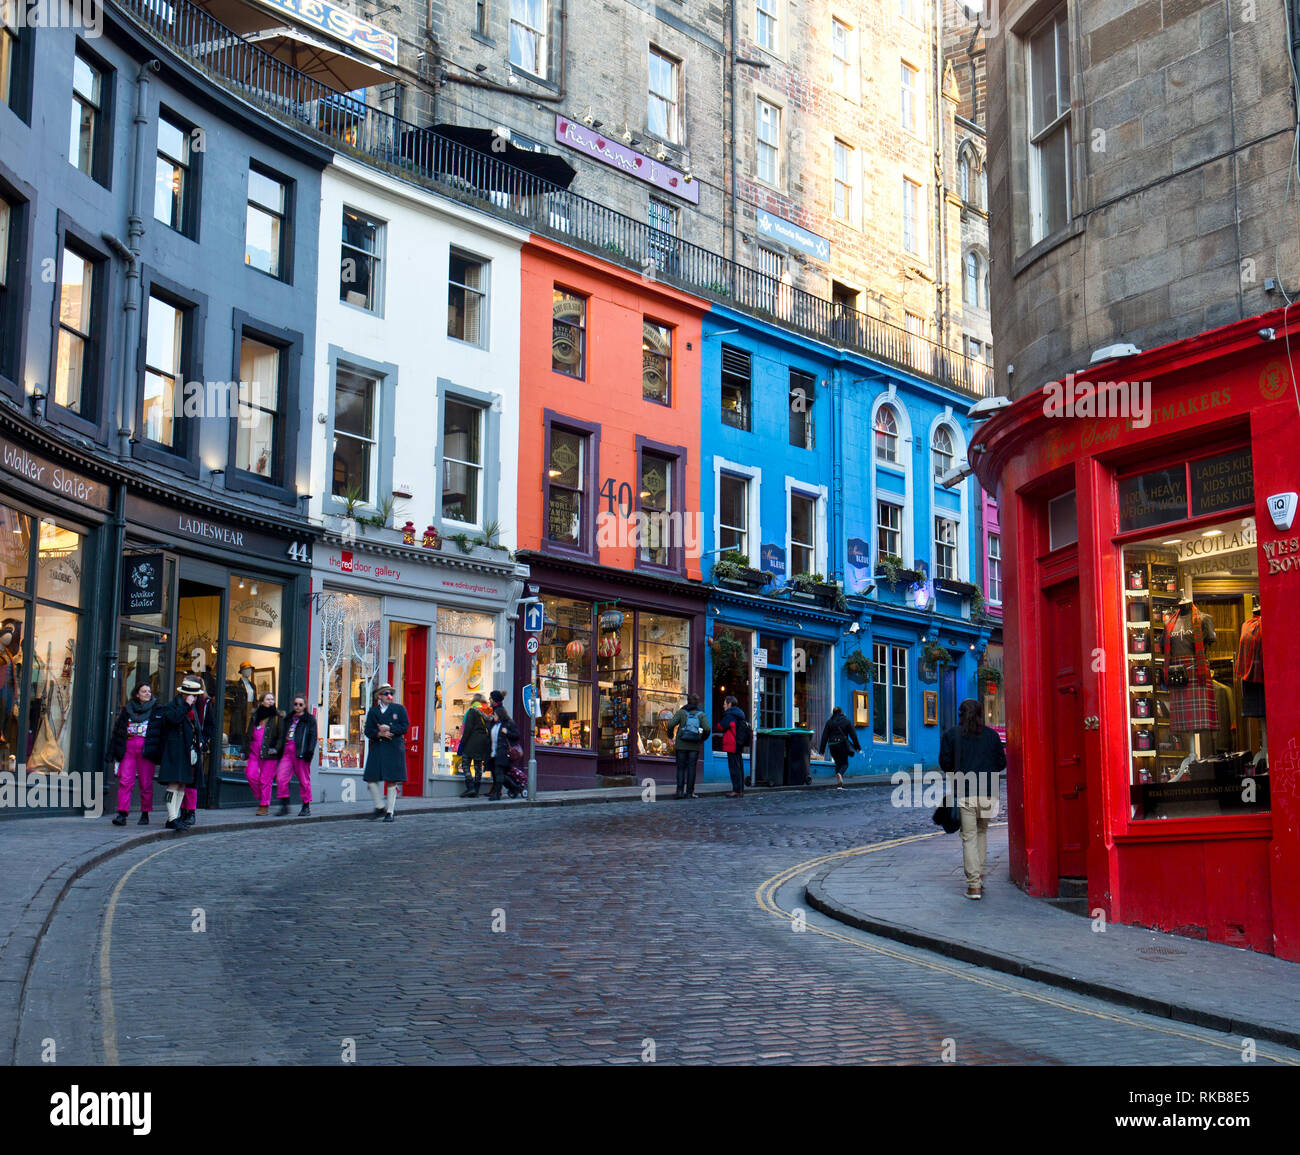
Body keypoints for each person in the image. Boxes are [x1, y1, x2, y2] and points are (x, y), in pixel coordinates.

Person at [939, 698, 1007, 900]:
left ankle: (974, 885)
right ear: (980, 713)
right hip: (988, 792)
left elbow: (944, 763)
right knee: (981, 833)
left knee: (969, 837)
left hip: (965, 792)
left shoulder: (952, 735)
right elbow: (1001, 763)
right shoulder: (992, 736)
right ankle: (980, 875)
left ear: (960, 714)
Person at [152, 675, 207, 832]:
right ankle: (171, 817)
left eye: (196, 696)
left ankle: (175, 816)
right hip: (174, 751)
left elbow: (196, 728)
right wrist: (186, 706)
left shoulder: (191, 709)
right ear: (185, 694)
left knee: (183, 784)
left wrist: (200, 741)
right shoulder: (172, 706)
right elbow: (174, 719)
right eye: (192, 696)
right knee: (173, 784)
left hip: (187, 752)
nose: (195, 699)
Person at [108, 681, 160, 825]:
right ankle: (122, 813)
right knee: (125, 781)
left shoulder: (156, 710)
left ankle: (145, 813)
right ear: (137, 694)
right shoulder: (127, 709)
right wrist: (112, 750)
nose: (147, 694)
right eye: (144, 691)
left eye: (149, 691)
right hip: (128, 747)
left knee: (146, 782)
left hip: (146, 748)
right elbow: (118, 730)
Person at [363, 683, 408, 822]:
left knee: (392, 779)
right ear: (379, 696)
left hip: (393, 747)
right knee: (370, 777)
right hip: (378, 748)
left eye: (391, 694)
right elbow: (367, 731)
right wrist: (379, 734)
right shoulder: (373, 712)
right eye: (386, 694)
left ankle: (390, 812)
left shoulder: (399, 709)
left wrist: (390, 729)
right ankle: (379, 806)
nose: (390, 696)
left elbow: (405, 726)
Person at [272, 693, 317, 816]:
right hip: (287, 751)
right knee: (281, 777)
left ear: (305, 705)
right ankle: (284, 805)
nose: (297, 707)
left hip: (301, 752)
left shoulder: (309, 720)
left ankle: (306, 805)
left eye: (300, 704)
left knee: (304, 780)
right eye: (296, 704)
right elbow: (282, 734)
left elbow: (313, 737)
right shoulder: (288, 719)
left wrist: (309, 751)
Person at [178, 686, 216, 828]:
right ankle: (180, 810)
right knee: (179, 781)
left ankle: (191, 812)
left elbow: (209, 725)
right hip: (180, 746)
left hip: (195, 746)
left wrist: (202, 741)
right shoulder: (179, 704)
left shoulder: (205, 704)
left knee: (192, 781)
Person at [244, 692, 280, 815]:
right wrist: (245, 749)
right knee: (250, 775)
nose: (271, 701)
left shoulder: (277, 717)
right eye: (268, 699)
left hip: (269, 753)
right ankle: (261, 796)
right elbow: (249, 733)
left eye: (272, 699)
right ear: (262, 701)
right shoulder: (255, 716)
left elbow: (282, 736)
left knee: (266, 780)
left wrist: (276, 749)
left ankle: (264, 805)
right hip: (254, 751)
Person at [668, 693, 710, 799]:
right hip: (694, 746)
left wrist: (671, 735)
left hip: (681, 745)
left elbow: (670, 724)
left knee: (681, 768)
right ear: (697, 703)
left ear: (688, 701)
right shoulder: (701, 714)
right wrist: (702, 739)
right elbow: (707, 729)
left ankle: (679, 792)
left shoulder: (682, 712)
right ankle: (690, 792)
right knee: (692, 768)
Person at [487, 689, 522, 800]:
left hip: (502, 752)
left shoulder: (507, 723)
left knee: (499, 773)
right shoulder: (495, 723)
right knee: (499, 774)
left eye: (491, 698)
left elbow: (516, 735)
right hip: (493, 752)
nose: (494, 716)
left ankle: (497, 794)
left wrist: (507, 732)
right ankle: (515, 788)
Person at [818, 705, 862, 791]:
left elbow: (824, 736)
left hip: (832, 745)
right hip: (842, 744)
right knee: (845, 763)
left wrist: (821, 750)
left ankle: (839, 784)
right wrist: (857, 747)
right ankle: (840, 774)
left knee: (838, 763)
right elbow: (853, 736)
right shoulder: (847, 721)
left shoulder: (829, 722)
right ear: (842, 713)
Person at [458, 693, 492, 798]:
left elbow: (467, 729)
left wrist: (462, 743)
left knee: (465, 763)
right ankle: (476, 789)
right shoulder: (488, 711)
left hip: (472, 741)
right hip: (483, 741)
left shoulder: (472, 711)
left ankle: (470, 787)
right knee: (478, 766)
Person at [715, 694, 749, 798]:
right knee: (739, 767)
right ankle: (740, 790)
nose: (723, 706)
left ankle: (736, 790)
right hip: (738, 743)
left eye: (725, 704)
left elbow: (720, 726)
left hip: (732, 744)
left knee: (734, 768)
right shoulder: (739, 714)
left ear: (730, 704)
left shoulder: (730, 715)